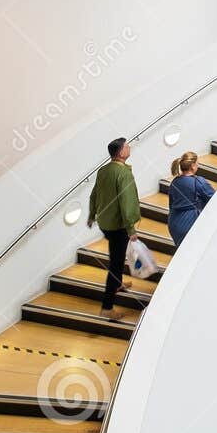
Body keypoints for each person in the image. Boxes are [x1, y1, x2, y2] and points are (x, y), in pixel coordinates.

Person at [87, 137, 140, 322]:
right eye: (127, 146)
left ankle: (117, 283)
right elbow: (127, 202)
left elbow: (94, 194)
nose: (129, 147)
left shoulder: (103, 171)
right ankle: (107, 308)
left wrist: (92, 214)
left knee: (116, 254)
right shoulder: (123, 173)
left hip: (105, 223)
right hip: (119, 225)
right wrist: (131, 228)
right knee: (116, 263)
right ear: (121, 152)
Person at [165, 152, 214, 247]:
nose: (198, 165)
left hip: (174, 224)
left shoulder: (174, 182)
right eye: (197, 163)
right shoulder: (199, 181)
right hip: (191, 223)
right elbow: (215, 200)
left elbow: (171, 205)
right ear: (192, 166)